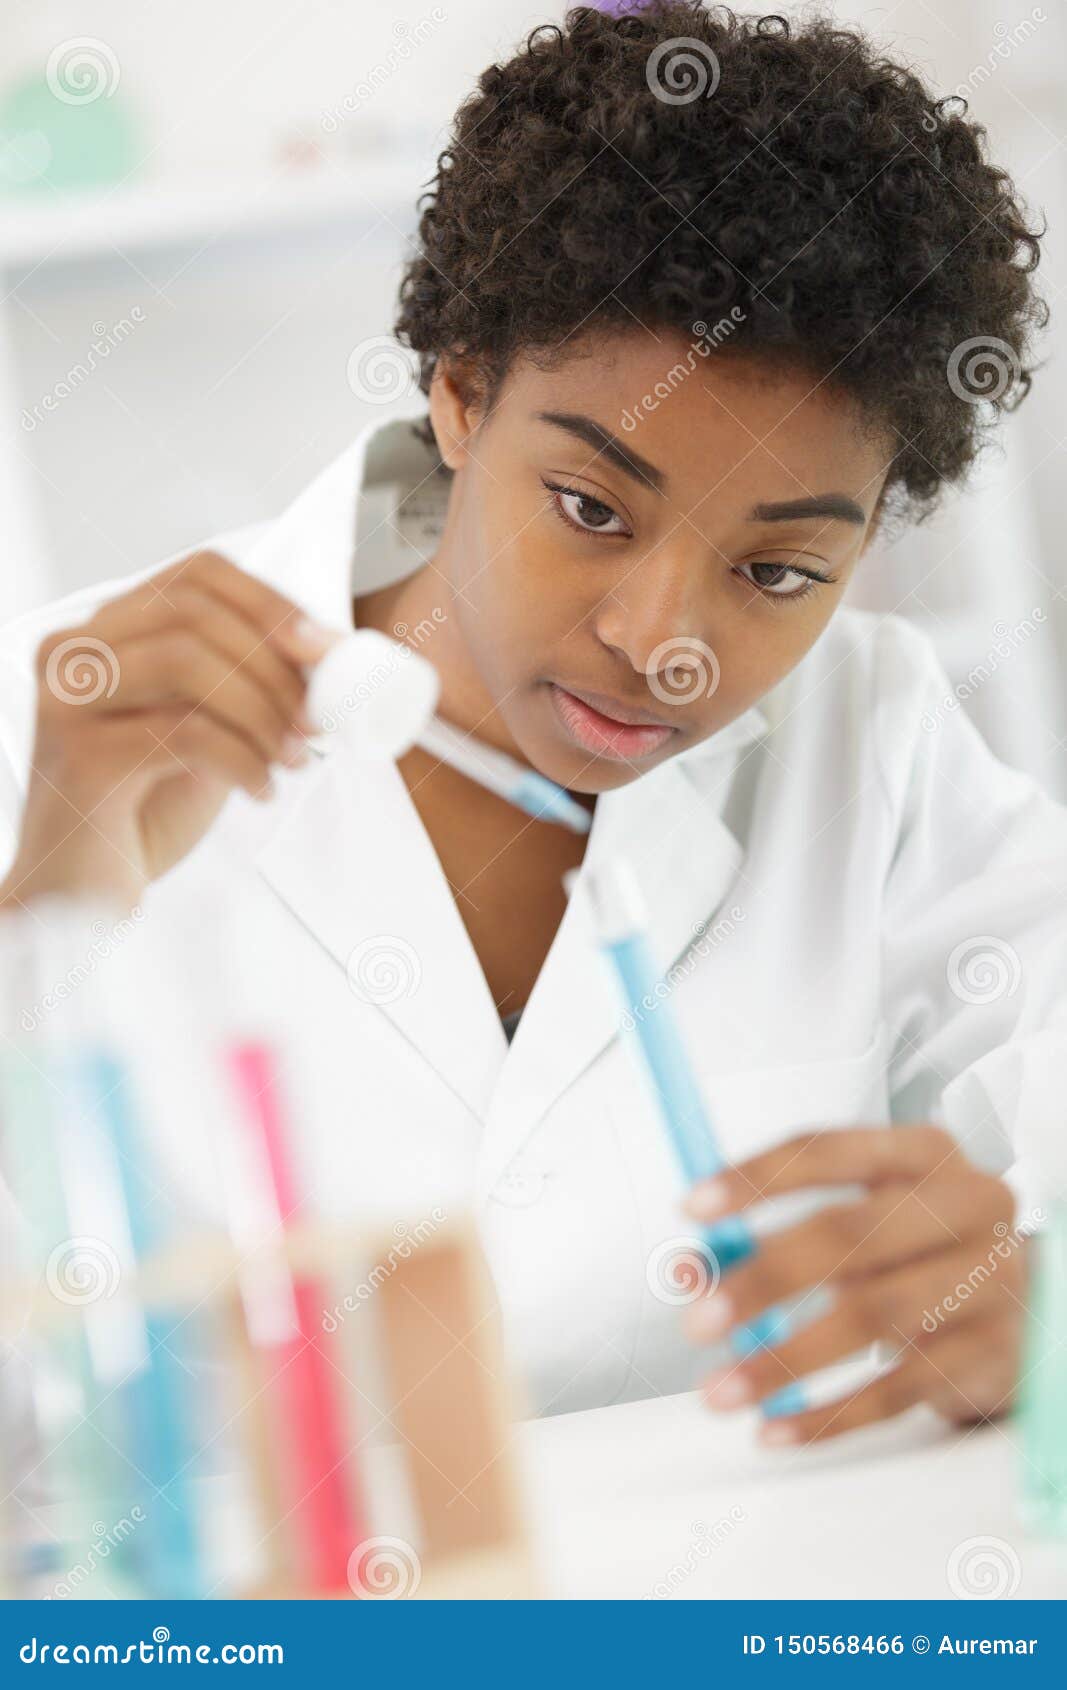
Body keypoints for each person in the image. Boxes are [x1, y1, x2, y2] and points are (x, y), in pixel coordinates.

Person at [1, 2, 1064, 1442]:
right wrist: (54, 898)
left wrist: (1035, 1304)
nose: (661, 646)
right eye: (590, 506)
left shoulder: (874, 740)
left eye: (778, 571)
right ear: (457, 394)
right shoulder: (77, 708)